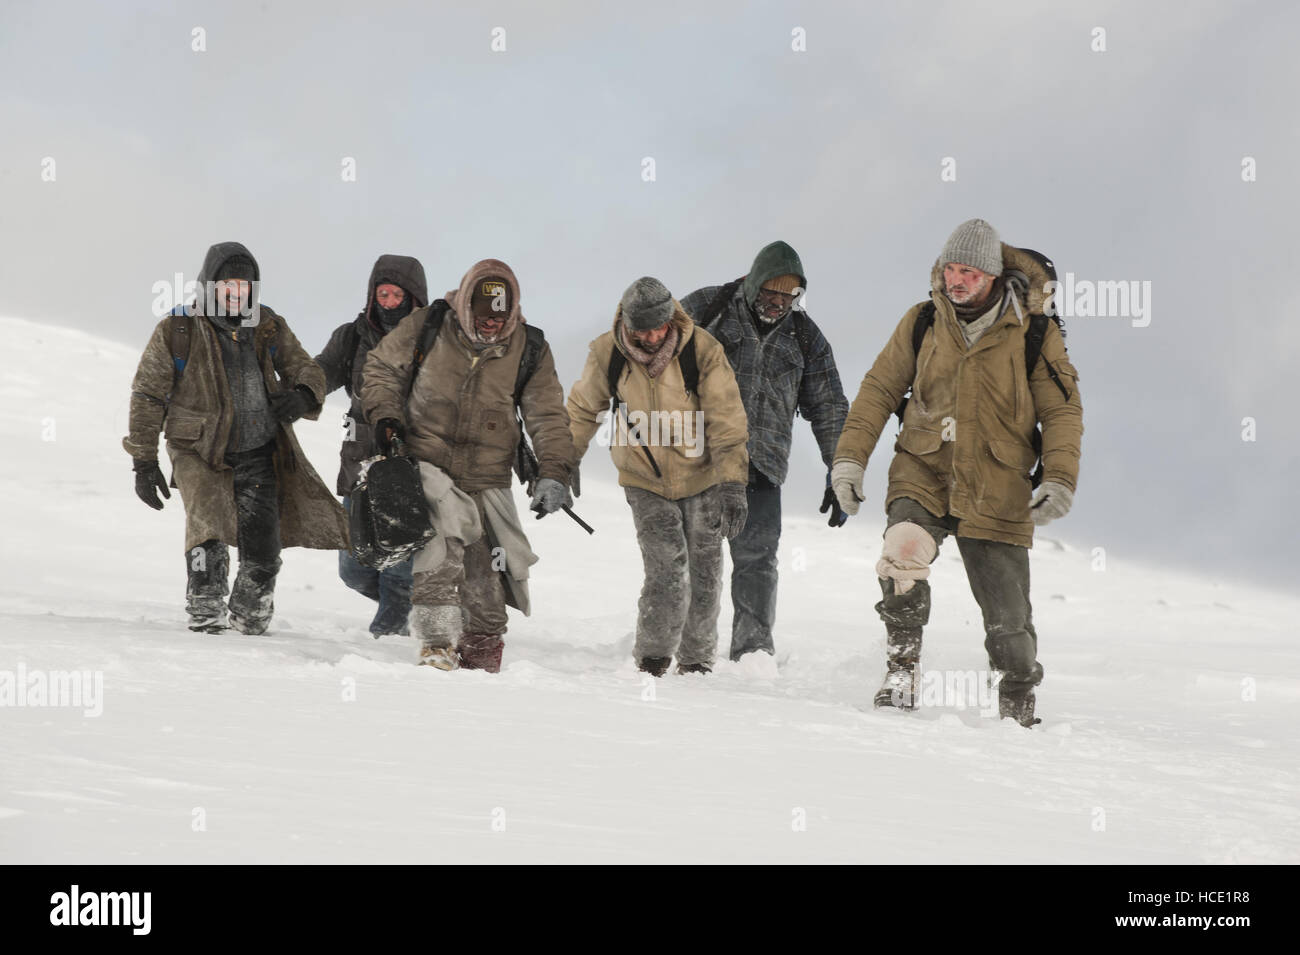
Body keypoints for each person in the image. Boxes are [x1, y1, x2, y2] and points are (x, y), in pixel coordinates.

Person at [831, 220, 1083, 726]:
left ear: (991, 275)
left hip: (998, 484)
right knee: (902, 551)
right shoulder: (922, 320)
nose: (956, 279)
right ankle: (901, 672)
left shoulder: (1034, 331)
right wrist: (849, 459)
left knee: (1010, 627)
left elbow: (1061, 410)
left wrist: (1058, 478)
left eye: (968, 270)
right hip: (922, 468)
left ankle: (1015, 695)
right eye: (950, 268)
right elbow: (879, 389)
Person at [360, 259, 575, 671]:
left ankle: (482, 651)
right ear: (467, 306)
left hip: (488, 476)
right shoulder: (430, 324)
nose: (491, 323)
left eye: (500, 314)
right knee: (438, 558)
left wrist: (553, 471)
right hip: (428, 465)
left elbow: (547, 415)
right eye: (483, 314)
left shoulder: (530, 347)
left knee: (487, 577)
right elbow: (382, 369)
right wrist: (386, 417)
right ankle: (436, 646)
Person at [124, 241, 349, 633]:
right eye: (227, 284)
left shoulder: (268, 325)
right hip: (198, 450)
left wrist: (300, 396)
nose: (235, 292)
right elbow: (147, 395)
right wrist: (144, 461)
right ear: (210, 285)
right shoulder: (178, 329)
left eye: (243, 286)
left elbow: (306, 368)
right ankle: (206, 612)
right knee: (207, 532)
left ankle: (251, 614)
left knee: (263, 547)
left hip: (259, 448)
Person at [567, 277, 750, 676]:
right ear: (626, 323)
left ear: (671, 320)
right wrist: (561, 466)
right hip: (643, 480)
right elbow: (582, 410)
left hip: (701, 477)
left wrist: (733, 483)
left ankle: (697, 661)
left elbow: (726, 418)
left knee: (705, 574)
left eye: (657, 328)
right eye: (640, 329)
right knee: (667, 570)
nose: (649, 337)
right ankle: (652, 660)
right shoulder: (606, 352)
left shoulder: (702, 349)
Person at [680, 241, 849, 663]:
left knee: (757, 561)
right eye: (770, 293)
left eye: (788, 296)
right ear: (753, 283)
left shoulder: (806, 338)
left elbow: (828, 406)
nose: (778, 303)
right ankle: (674, 642)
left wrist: (840, 469)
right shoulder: (708, 307)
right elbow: (653, 357)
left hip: (762, 467)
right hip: (696, 458)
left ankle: (752, 652)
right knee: (685, 556)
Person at [315, 254, 429, 636]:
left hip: (409, 463)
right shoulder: (352, 335)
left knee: (398, 565)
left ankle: (391, 634)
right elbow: (322, 373)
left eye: (398, 294)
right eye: (383, 292)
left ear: (414, 297)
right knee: (354, 568)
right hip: (360, 461)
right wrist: (294, 392)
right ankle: (414, 609)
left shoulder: (434, 340)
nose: (389, 301)